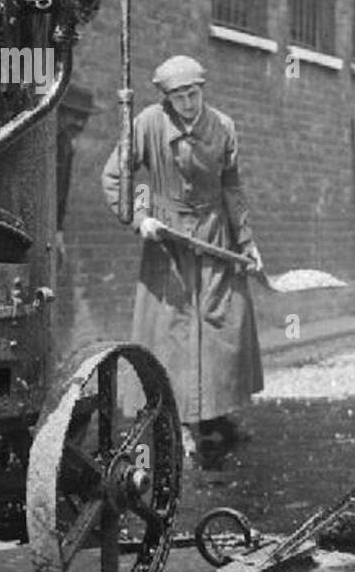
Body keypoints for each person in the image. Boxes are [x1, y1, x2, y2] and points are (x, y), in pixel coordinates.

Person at [101, 54, 264, 466]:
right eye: (179, 96)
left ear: (202, 91)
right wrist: (141, 219)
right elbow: (115, 176)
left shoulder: (223, 127)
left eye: (194, 94)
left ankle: (217, 416)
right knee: (173, 332)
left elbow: (232, 188)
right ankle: (178, 425)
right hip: (167, 240)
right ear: (167, 98)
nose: (188, 103)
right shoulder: (148, 124)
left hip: (214, 236)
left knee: (221, 326)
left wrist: (246, 242)